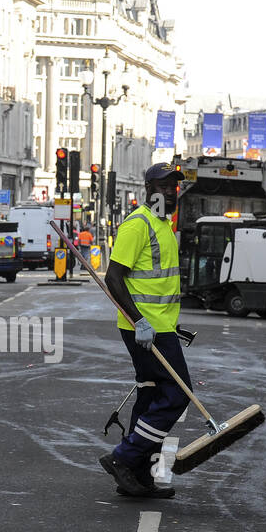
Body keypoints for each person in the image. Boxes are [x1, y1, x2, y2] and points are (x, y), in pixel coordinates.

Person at [99, 162, 189, 500]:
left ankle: (137, 476)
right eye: (164, 186)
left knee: (151, 395)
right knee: (177, 395)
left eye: (173, 186)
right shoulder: (138, 224)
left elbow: (159, 284)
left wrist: (170, 324)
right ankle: (123, 458)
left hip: (161, 327)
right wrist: (140, 322)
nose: (170, 191)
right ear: (148, 188)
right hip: (145, 329)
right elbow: (113, 278)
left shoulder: (163, 225)